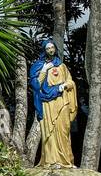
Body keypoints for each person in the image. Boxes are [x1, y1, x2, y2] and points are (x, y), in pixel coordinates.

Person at [28, 37, 78, 167]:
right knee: (49, 133)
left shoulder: (62, 66)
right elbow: (35, 85)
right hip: (47, 103)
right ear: (44, 50)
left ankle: (65, 160)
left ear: (55, 49)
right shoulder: (38, 66)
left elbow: (71, 82)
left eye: (52, 48)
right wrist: (44, 70)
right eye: (48, 48)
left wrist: (64, 86)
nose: (50, 50)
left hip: (62, 101)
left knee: (63, 131)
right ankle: (51, 160)